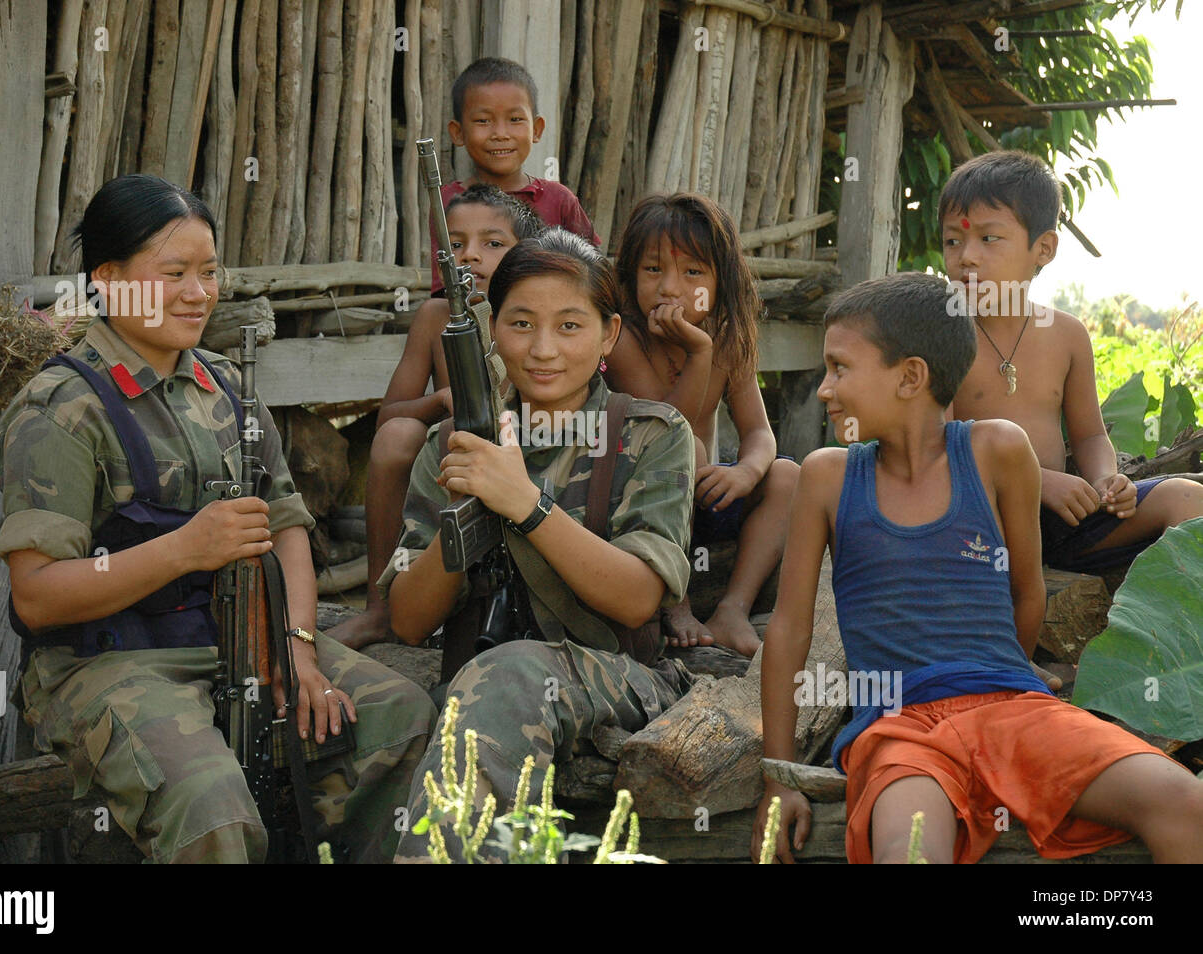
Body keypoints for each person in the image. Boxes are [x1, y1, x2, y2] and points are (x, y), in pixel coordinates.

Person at [0, 173, 435, 863]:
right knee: (211, 811)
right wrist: (183, 550)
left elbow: (286, 525)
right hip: (111, 663)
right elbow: (38, 594)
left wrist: (297, 648)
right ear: (109, 280)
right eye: (175, 274)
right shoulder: (62, 408)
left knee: (402, 718)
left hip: (245, 642)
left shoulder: (226, 386)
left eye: (208, 272)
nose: (200, 293)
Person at [753, 272, 1203, 864]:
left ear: (911, 376)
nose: (824, 390)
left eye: (840, 369)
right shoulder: (827, 477)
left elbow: (1027, 591)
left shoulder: (998, 451)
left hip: (1011, 706)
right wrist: (779, 779)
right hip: (899, 730)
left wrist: (1008, 671)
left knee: (1184, 803)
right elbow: (789, 630)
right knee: (908, 851)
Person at [379, 229, 697, 862]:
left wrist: (524, 502)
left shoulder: (650, 435)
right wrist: (470, 505)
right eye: (521, 324)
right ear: (493, 330)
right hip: (483, 681)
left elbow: (637, 600)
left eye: (570, 326)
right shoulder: (455, 443)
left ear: (609, 336)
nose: (544, 349)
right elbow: (409, 620)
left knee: (512, 673)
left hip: (622, 675)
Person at [942, 151, 1201, 573]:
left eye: (988, 238)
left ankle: (1175, 628)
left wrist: (1104, 480)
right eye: (953, 240)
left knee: (1187, 497)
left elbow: (1090, 437)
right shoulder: (942, 335)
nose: (966, 256)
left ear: (1043, 248)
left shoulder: (1066, 335)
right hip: (980, 520)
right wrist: (1040, 483)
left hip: (1062, 521)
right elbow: (941, 450)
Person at [336, 185, 543, 650]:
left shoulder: (534, 318)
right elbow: (391, 413)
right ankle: (379, 606)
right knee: (395, 437)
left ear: (523, 254)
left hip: (526, 469)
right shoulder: (433, 316)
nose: (471, 256)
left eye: (493, 244)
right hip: (446, 466)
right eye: (455, 245)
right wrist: (441, 399)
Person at [605, 193, 800, 657]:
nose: (671, 287)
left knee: (789, 475)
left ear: (720, 280)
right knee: (688, 445)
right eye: (653, 271)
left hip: (702, 500)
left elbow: (758, 433)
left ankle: (733, 608)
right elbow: (669, 429)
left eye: (692, 272)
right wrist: (697, 354)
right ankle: (675, 602)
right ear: (630, 277)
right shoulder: (623, 342)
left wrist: (746, 472)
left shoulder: (727, 339)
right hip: (636, 509)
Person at [429, 56, 599, 293]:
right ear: (457, 133)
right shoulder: (448, 200)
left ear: (536, 129)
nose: (500, 133)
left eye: (515, 119)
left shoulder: (559, 199)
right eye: (483, 120)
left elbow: (593, 274)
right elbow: (444, 287)